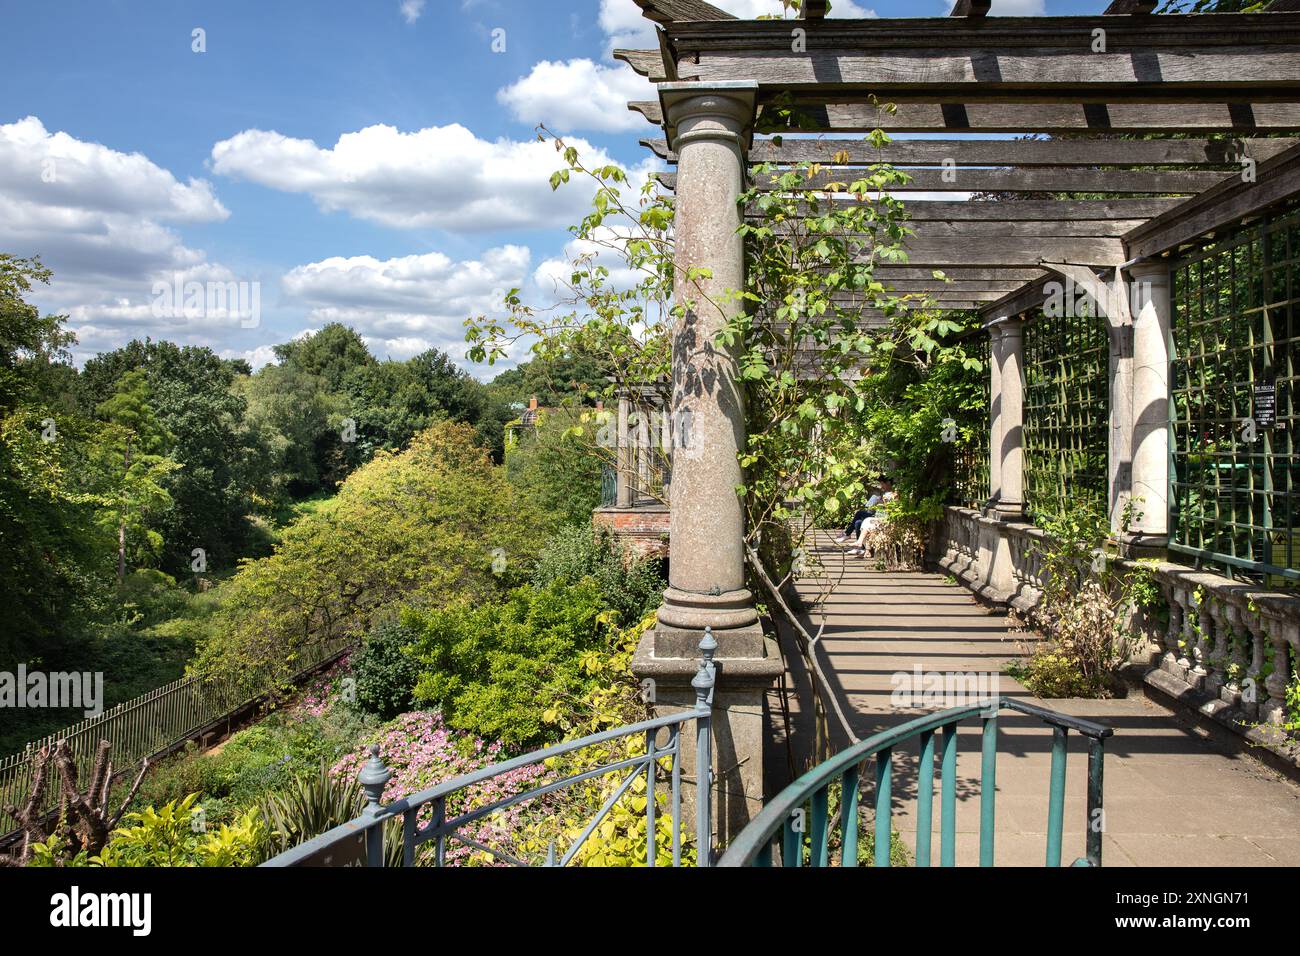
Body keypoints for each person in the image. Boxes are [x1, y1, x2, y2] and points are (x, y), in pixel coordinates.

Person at [846, 477, 895, 556]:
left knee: (860, 513)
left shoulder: (893, 495)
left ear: (888, 483)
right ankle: (860, 548)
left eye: (882, 484)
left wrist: (881, 502)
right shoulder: (884, 493)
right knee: (858, 522)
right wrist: (875, 502)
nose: (881, 486)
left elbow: (890, 508)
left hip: (883, 517)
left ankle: (848, 535)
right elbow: (872, 509)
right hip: (876, 515)